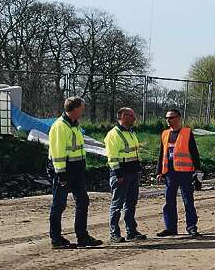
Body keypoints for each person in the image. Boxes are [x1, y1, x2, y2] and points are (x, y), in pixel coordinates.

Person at [48, 97, 102, 249]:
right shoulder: (60, 126)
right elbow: (57, 151)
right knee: (59, 205)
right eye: (82, 108)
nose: (83, 111)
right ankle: (56, 239)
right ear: (76, 108)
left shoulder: (74, 125)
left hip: (76, 170)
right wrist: (61, 173)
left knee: (83, 201)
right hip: (64, 171)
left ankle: (82, 236)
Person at [156, 108, 202, 237]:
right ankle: (170, 228)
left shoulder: (187, 132)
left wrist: (198, 171)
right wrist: (159, 171)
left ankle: (192, 227)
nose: (168, 120)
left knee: (188, 201)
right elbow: (162, 153)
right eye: (167, 118)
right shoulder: (165, 134)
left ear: (178, 118)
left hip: (185, 173)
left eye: (171, 117)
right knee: (169, 201)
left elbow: (194, 152)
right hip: (169, 173)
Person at [105, 107, 147, 243]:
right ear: (122, 116)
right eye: (130, 115)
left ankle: (131, 231)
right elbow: (112, 157)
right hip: (121, 174)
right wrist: (118, 174)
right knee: (117, 204)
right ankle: (114, 233)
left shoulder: (131, 133)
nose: (134, 118)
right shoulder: (113, 135)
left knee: (130, 203)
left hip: (133, 173)